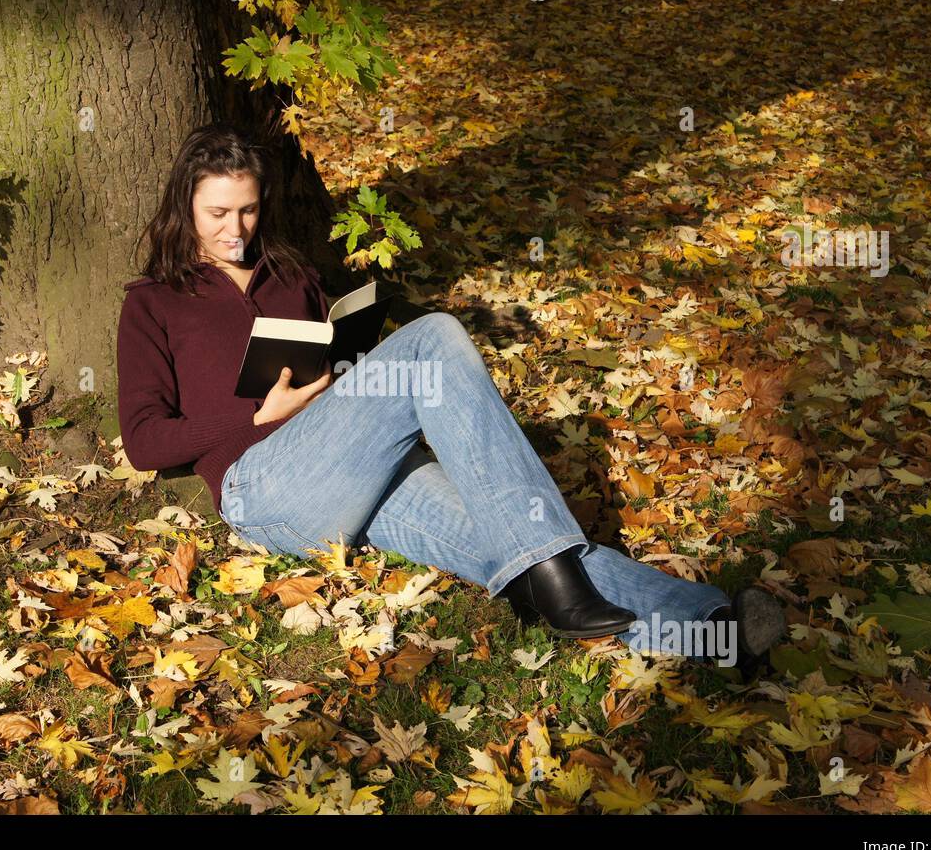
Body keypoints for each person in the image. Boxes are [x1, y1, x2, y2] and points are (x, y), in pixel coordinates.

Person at [117, 123, 786, 670]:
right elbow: (146, 439)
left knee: (514, 530)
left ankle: (709, 627)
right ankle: (556, 585)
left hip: (353, 468)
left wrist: (349, 362)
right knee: (432, 336)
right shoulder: (153, 302)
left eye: (248, 209)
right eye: (217, 214)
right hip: (263, 490)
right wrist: (256, 413)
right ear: (186, 207)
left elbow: (336, 369)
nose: (236, 228)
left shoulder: (290, 274)